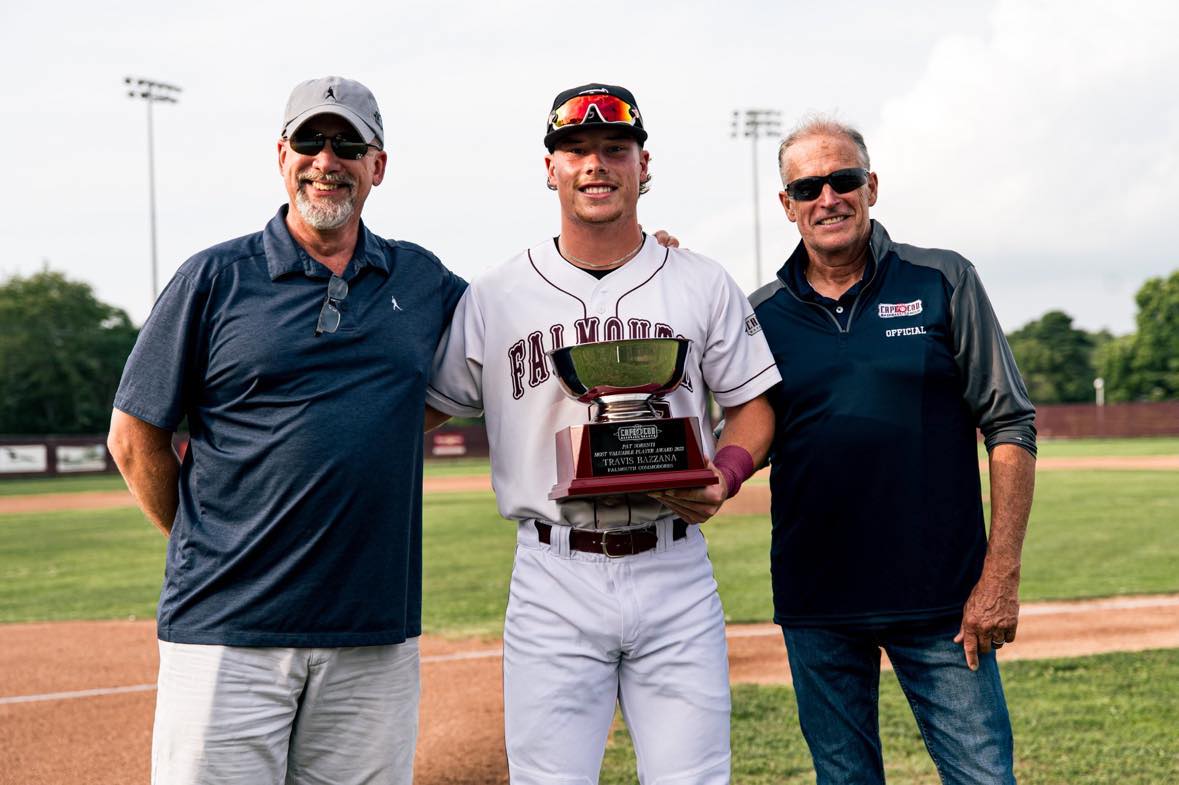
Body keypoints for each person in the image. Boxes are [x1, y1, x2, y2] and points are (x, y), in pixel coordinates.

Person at [106, 76, 466, 785]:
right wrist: (202, 542)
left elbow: (514, 331)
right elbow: (132, 436)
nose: (326, 159)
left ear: (377, 165)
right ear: (282, 155)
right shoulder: (214, 276)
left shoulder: (423, 280)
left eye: (347, 145)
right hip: (226, 630)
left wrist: (640, 259)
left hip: (372, 633)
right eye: (309, 141)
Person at [424, 83, 779, 784]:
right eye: (575, 150)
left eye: (614, 149)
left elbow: (754, 404)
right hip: (552, 570)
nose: (596, 164)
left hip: (673, 566)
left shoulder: (700, 281)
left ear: (643, 165)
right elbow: (426, 409)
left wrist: (726, 472)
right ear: (549, 168)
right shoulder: (494, 296)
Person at [749, 117, 1037, 784]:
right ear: (786, 204)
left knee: (982, 777)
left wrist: (999, 577)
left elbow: (1010, 425)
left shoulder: (941, 279)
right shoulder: (758, 313)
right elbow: (743, 438)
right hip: (817, 604)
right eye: (808, 185)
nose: (828, 197)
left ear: (870, 187)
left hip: (944, 603)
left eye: (843, 179)